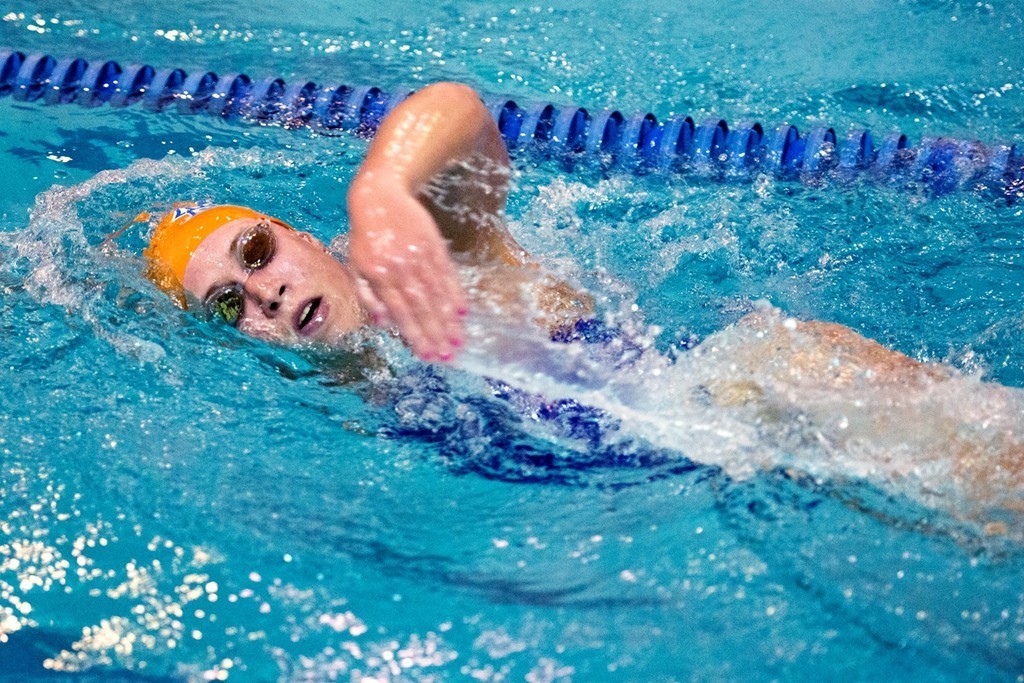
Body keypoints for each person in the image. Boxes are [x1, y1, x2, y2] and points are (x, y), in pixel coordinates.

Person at [142, 82, 1023, 517]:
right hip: (731, 484)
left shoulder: (442, 258)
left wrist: (381, 192)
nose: (264, 291)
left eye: (256, 252)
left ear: (298, 235)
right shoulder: (352, 405)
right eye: (230, 306)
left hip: (766, 386)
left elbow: (462, 113)